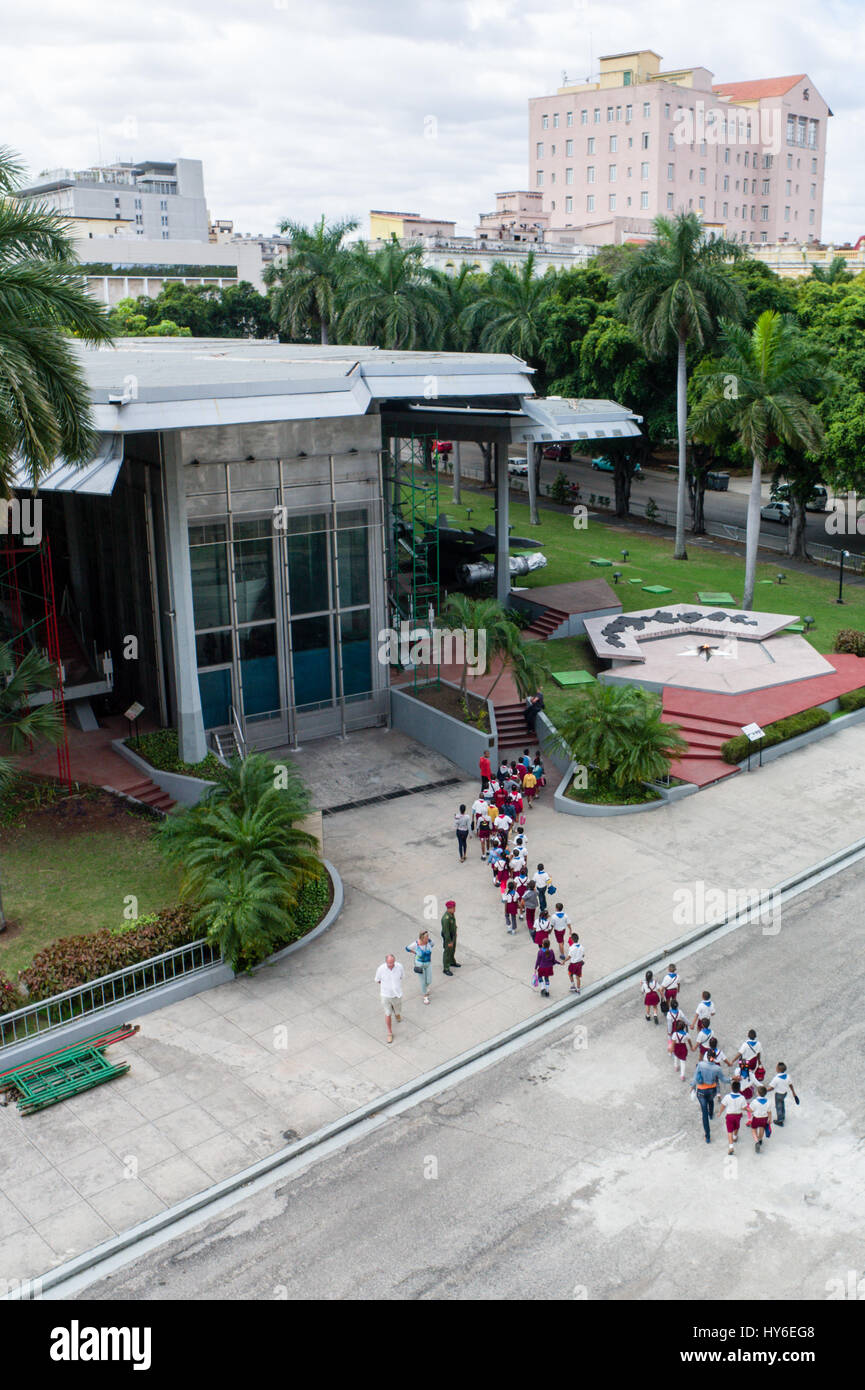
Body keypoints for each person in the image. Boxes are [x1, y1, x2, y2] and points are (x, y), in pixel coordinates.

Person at [691, 1052, 730, 1144]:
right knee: (711, 1100)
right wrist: (733, 1079)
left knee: (704, 1113)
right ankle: (711, 1114)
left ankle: (707, 1136)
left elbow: (695, 1078)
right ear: (715, 1058)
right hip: (712, 1090)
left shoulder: (700, 1065)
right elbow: (724, 1080)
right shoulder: (717, 1068)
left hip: (701, 1091)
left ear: (707, 1057)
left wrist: (692, 1086)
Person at [374, 953, 405, 1044]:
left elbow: (402, 977)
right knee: (387, 1013)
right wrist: (387, 987)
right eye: (389, 963)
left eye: (392, 963)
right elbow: (377, 980)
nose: (391, 965)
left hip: (397, 994)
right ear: (386, 962)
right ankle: (389, 1032)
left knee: (398, 1009)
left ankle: (397, 1013)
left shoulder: (399, 967)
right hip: (386, 995)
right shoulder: (381, 969)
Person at [405, 930, 434, 1005]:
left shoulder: (429, 942)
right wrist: (415, 952)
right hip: (419, 964)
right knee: (423, 981)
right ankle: (425, 996)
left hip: (428, 963)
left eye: (428, 937)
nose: (428, 938)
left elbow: (433, 944)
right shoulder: (416, 944)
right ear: (421, 938)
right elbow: (407, 948)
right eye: (426, 937)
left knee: (429, 980)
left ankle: (426, 987)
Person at [720, 1080, 747, 1154]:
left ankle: (731, 1147)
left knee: (729, 1131)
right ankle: (735, 1137)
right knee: (737, 1127)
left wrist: (720, 1113)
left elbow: (723, 1105)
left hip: (729, 1116)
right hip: (738, 1115)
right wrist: (749, 1110)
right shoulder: (742, 1097)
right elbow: (744, 1107)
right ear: (739, 1089)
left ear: (731, 1088)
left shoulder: (727, 1097)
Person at [748, 1085, 772, 1152]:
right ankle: (760, 1139)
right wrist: (770, 1119)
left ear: (758, 1093)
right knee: (762, 1128)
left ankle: (756, 1141)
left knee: (753, 1129)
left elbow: (751, 1110)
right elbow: (769, 1112)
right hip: (764, 1118)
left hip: (756, 1118)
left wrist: (746, 1109)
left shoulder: (754, 1101)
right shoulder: (768, 1102)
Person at [441, 900, 460, 976]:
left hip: (453, 935)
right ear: (449, 908)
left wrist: (455, 932)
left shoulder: (451, 914)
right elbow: (446, 932)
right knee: (447, 952)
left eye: (454, 907)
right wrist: (449, 942)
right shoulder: (446, 918)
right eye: (453, 908)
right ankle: (446, 968)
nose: (454, 909)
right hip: (449, 937)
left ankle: (452, 962)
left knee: (453, 950)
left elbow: (453, 924)